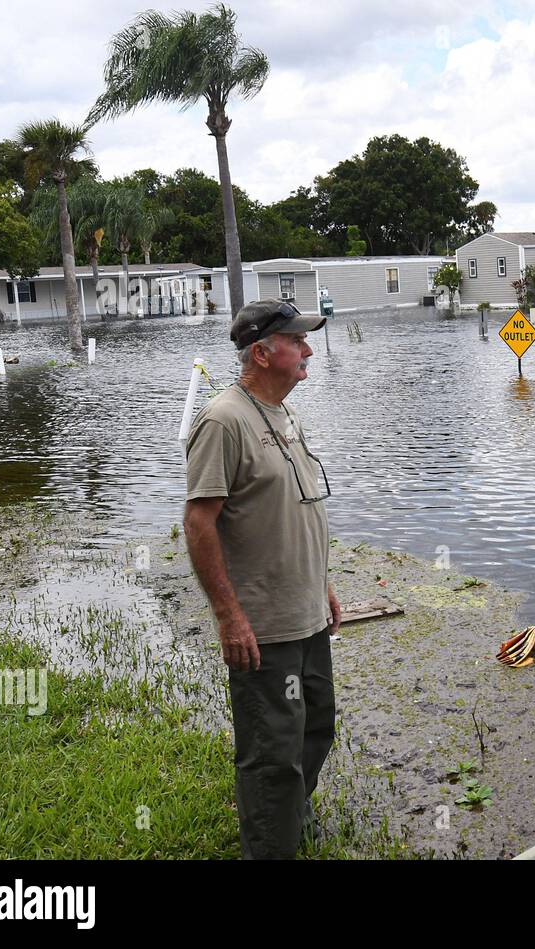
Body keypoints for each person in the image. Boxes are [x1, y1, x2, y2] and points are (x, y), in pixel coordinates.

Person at [183, 300, 341, 859]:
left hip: (307, 614)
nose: (308, 350)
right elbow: (199, 522)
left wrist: (320, 584)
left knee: (316, 723)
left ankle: (292, 818)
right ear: (262, 352)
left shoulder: (282, 413)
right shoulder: (223, 420)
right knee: (271, 750)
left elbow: (292, 507)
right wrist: (229, 615)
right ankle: (269, 848)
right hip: (263, 626)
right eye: (298, 341)